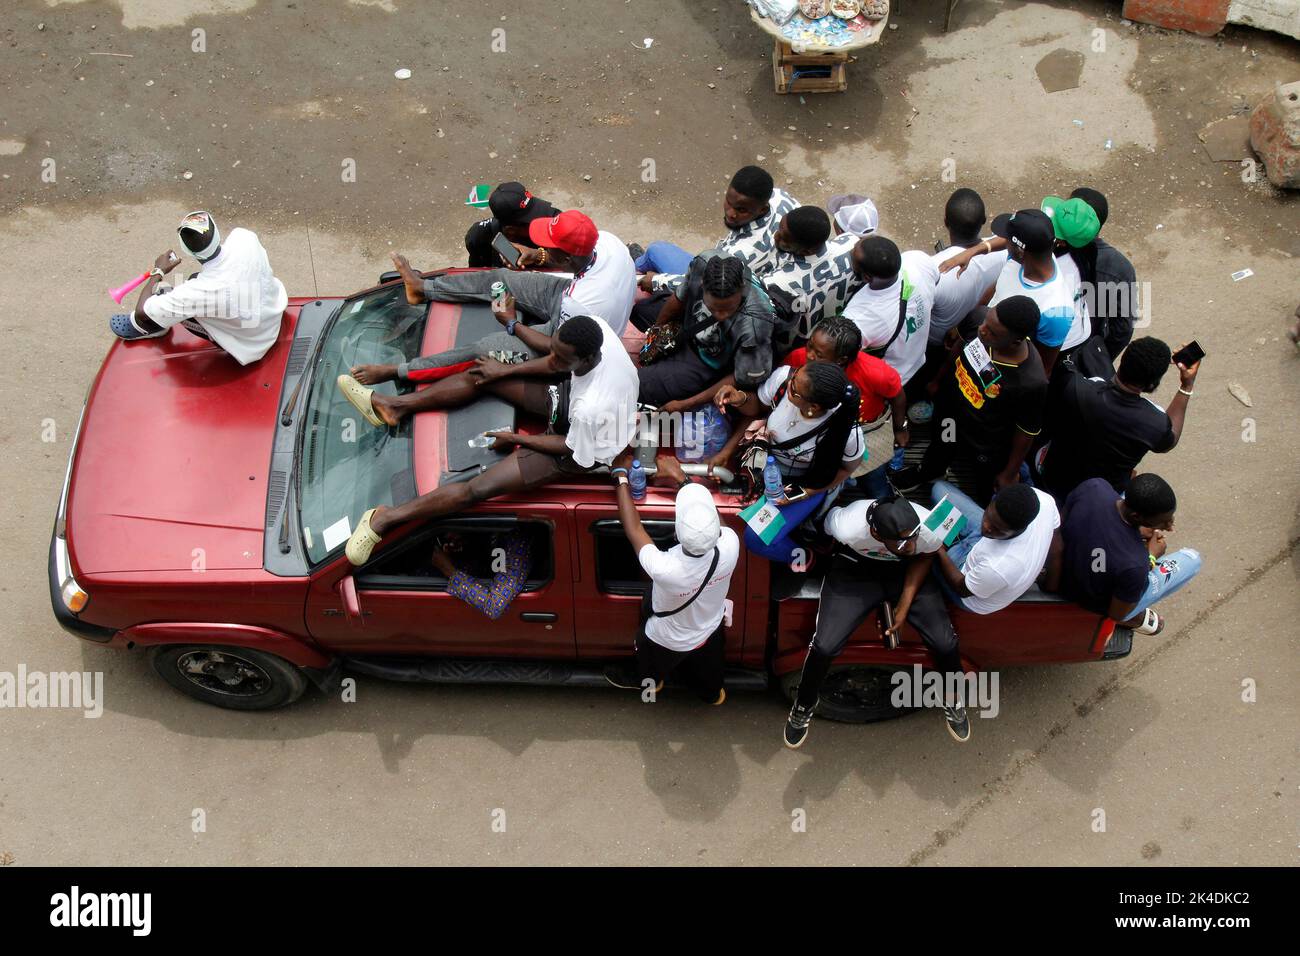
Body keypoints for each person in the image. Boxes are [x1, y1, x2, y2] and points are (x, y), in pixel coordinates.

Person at [339, 315, 637, 565]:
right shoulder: (595, 333)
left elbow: (569, 447)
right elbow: (552, 361)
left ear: (586, 358)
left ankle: (386, 518)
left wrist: (515, 438)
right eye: (555, 350)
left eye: (562, 358)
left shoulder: (592, 405)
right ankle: (393, 406)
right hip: (573, 402)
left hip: (580, 448)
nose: (553, 359)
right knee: (482, 374)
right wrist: (503, 371)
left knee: (476, 489)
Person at [350, 210, 636, 386]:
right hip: (571, 299)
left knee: (485, 349)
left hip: (572, 336)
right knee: (500, 279)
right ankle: (422, 288)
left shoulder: (583, 301)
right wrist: (541, 256)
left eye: (548, 246)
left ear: (568, 256)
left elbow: (555, 353)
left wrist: (512, 324)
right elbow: (568, 268)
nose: (539, 245)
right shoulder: (606, 243)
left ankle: (398, 371)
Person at [783, 495, 970, 749]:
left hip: (906, 573)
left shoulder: (926, 527)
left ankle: (953, 698)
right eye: (903, 542)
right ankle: (804, 704)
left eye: (913, 537)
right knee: (824, 646)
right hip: (856, 570)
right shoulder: (847, 524)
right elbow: (822, 532)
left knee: (945, 643)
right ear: (876, 533)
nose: (911, 545)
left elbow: (922, 555)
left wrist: (904, 606)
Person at [604, 455, 740, 704]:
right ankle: (711, 696)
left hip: (664, 638)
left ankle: (652, 686)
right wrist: (682, 478)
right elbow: (715, 521)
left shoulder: (664, 568)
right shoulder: (731, 545)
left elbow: (634, 528)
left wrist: (620, 475)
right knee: (710, 679)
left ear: (677, 532)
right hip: (710, 630)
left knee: (649, 669)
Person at [891, 296, 1046, 506]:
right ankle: (928, 472)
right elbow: (959, 346)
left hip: (984, 440)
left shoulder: (1031, 382)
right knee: (942, 445)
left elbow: (1026, 431)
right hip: (951, 415)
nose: (982, 330)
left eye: (992, 332)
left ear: (1016, 340)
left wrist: (1010, 473)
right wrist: (938, 379)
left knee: (985, 481)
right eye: (985, 323)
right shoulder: (980, 317)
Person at [714, 361, 863, 564]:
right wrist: (740, 398)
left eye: (794, 389)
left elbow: (846, 469)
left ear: (813, 407)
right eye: (794, 377)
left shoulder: (847, 433)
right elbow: (758, 405)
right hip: (766, 470)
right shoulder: (785, 379)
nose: (789, 384)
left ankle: (804, 559)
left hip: (806, 485)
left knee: (756, 539)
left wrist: (802, 494)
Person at [110, 210, 287, 365]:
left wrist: (158, 272)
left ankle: (152, 327)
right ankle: (162, 316)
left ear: (186, 250)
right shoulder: (244, 237)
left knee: (165, 292)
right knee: (193, 282)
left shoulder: (199, 292)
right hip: (272, 316)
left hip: (254, 345)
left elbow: (142, 311)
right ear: (217, 233)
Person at [1036, 337, 1200, 502]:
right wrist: (1186, 386)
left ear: (1122, 362)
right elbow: (1169, 441)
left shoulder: (1074, 387)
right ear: (1152, 385)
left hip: (1050, 476)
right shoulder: (1155, 423)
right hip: (1103, 496)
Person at [1049, 474, 1201, 636]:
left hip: (1064, 567)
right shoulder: (1135, 563)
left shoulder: (1093, 487)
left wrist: (1133, 531)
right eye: (1163, 521)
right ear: (1136, 517)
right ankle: (1133, 618)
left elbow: (1060, 524)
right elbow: (1116, 614)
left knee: (1120, 498)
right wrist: (1150, 557)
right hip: (1087, 599)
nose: (1169, 526)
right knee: (1192, 558)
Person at [940, 209, 1080, 376]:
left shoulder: (1056, 312)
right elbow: (998, 288)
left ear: (1020, 251)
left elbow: (1042, 370)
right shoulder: (1024, 259)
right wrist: (971, 252)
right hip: (979, 341)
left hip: (999, 375)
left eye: (1008, 240)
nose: (1004, 242)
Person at [637, 252, 777, 408]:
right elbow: (679, 297)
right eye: (714, 308)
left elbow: (740, 377)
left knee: (638, 384)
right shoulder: (703, 264)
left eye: (728, 309)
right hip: (690, 326)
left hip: (709, 363)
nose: (721, 316)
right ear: (702, 284)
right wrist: (656, 334)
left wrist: (684, 404)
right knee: (640, 310)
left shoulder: (756, 323)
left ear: (742, 289)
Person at [635, 165, 798, 280]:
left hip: (726, 291)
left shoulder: (736, 254)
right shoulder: (781, 198)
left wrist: (655, 281)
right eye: (728, 201)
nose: (730, 213)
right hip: (759, 276)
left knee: (656, 250)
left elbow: (698, 284)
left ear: (762, 210)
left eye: (741, 210)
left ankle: (631, 269)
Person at [931, 482, 1062, 616]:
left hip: (965, 584)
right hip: (981, 550)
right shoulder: (1042, 500)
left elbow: (961, 588)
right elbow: (1056, 537)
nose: (986, 527)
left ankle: (948, 544)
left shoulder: (1001, 567)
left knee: (924, 548)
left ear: (1018, 530)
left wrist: (940, 551)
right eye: (988, 516)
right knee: (939, 488)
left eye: (997, 529)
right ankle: (954, 538)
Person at [841, 236, 939, 389]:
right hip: (918, 359)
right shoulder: (918, 261)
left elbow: (840, 356)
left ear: (866, 277)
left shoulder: (861, 317)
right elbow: (936, 280)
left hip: (891, 380)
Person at [761, 206, 865, 350]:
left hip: (799, 342)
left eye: (784, 238)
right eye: (779, 229)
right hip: (831, 325)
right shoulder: (852, 243)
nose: (775, 236)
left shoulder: (778, 283)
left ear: (806, 250)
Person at [929, 188, 1007, 346]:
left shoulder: (936, 269)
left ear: (945, 222)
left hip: (933, 339)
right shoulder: (1004, 252)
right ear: (985, 220)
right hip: (965, 332)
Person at [432, 530, 532, 620]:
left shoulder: (517, 541)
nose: (449, 535)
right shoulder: (493, 532)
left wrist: (450, 571)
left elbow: (494, 605)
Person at [463, 181, 561, 268]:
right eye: (533, 219)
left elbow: (573, 264)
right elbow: (476, 274)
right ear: (511, 230)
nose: (542, 220)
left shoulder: (555, 221)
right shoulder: (479, 237)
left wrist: (538, 255)